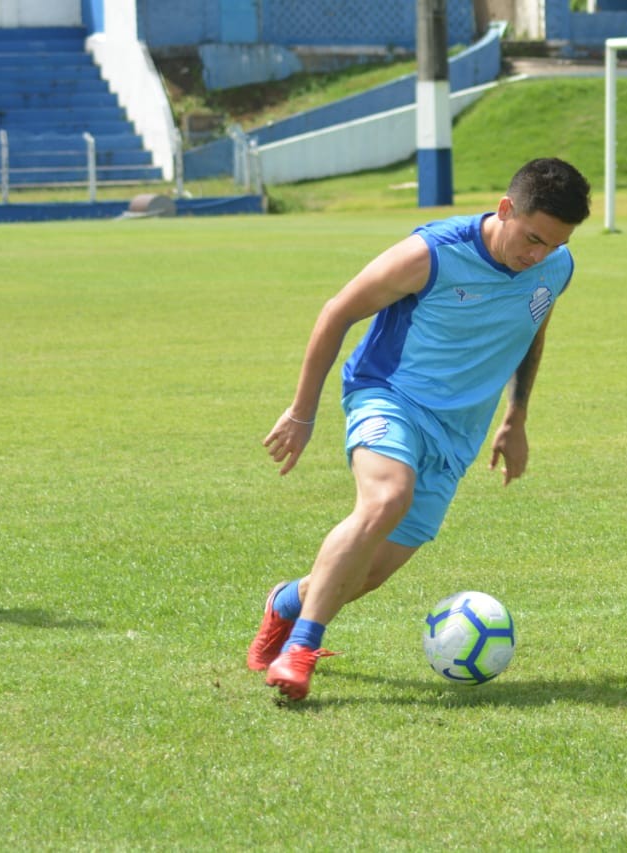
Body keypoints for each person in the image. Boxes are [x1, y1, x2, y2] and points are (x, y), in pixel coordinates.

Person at [248, 157, 592, 700]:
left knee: (366, 575)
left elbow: (531, 329)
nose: (538, 256)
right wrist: (301, 413)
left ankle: (286, 604)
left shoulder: (555, 267)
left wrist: (516, 417)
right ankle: (300, 650)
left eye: (553, 244)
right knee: (387, 497)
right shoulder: (431, 254)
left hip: (457, 436)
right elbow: (337, 311)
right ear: (505, 209)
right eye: (531, 238)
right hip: (389, 395)